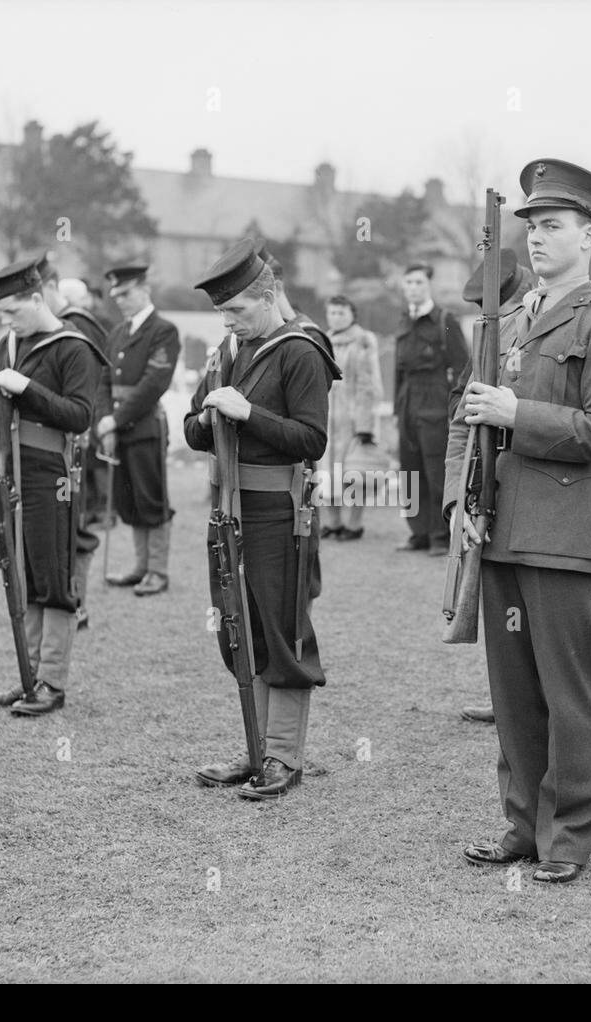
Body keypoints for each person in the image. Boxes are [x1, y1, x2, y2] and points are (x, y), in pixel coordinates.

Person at [448, 159, 591, 883]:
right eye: (530, 225)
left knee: (568, 692)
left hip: (563, 534)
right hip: (499, 528)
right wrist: (456, 500)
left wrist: (517, 413)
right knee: (514, 695)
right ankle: (522, 823)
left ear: (589, 237)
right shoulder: (505, 321)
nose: (535, 237)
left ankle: (570, 835)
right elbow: (464, 419)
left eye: (552, 225)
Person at [186, 240, 339, 799]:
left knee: (280, 626)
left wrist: (248, 413)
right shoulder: (228, 351)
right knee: (238, 624)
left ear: (269, 295)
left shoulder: (302, 350)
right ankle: (255, 746)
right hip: (228, 505)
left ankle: (282, 755)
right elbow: (191, 425)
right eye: (222, 313)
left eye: (238, 311)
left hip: (278, 510)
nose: (229, 322)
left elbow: (311, 439)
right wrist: (206, 417)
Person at [0, 256, 96, 716]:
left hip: (50, 473)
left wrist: (25, 388)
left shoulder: (72, 347)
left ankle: (52, 681)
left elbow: (80, 415)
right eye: (1, 314)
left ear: (38, 299)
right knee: (20, 572)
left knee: (52, 574)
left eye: (13, 312)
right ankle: (29, 674)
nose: (6, 322)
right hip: (9, 470)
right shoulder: (6, 344)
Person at [449, 249, 532, 727]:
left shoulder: (534, 328)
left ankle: (522, 702)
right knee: (502, 607)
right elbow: (463, 417)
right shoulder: (489, 335)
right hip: (487, 483)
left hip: (535, 483)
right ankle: (506, 696)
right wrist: (456, 499)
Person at [95, 265, 180, 596]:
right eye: (115, 295)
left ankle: (157, 571)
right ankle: (140, 566)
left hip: (145, 427)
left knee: (151, 497)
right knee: (129, 498)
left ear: (145, 290)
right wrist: (105, 420)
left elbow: (153, 384)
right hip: (117, 427)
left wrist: (114, 420)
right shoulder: (117, 333)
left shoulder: (163, 331)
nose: (120, 301)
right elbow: (103, 381)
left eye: (126, 293)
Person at [39, 258, 112, 630]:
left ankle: (77, 600)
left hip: (73, 441)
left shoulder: (77, 326)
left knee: (73, 525)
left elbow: (91, 385)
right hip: (63, 438)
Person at [395, 261, 470, 555]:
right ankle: (419, 533)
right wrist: (396, 412)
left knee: (436, 467)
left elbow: (463, 366)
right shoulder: (403, 320)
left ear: (428, 286)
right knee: (409, 469)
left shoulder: (444, 319)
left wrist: (455, 410)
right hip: (407, 402)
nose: (413, 288)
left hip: (436, 401)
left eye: (418, 283)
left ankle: (441, 534)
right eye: (408, 283)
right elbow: (398, 372)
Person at [318, 295, 382, 541]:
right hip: (329, 417)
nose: (336, 317)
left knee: (356, 472)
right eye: (332, 312)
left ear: (352, 314)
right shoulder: (324, 340)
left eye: (341, 312)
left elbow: (369, 384)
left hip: (354, 418)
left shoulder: (363, 340)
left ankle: (354, 524)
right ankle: (333, 522)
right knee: (328, 472)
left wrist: (365, 424)